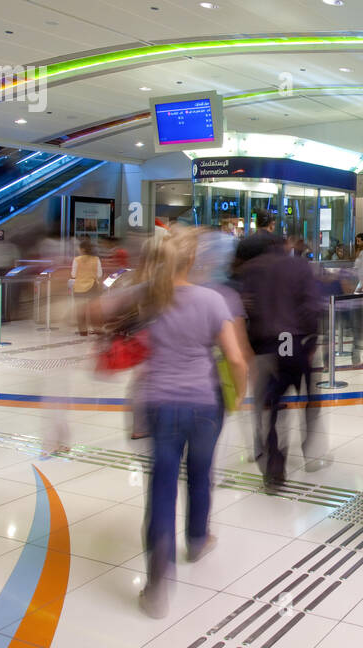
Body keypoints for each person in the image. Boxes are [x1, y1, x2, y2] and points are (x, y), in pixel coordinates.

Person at [92, 227, 249, 618]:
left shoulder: (147, 296)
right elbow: (237, 359)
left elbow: (96, 310)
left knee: (161, 488)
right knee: (200, 474)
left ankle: (158, 579)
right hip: (203, 404)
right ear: (193, 260)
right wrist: (241, 395)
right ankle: (197, 539)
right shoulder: (211, 300)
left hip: (159, 404)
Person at [237, 227, 328, 483]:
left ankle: (275, 465)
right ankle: (310, 450)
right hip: (296, 344)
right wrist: (310, 343)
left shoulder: (250, 271)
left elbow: (247, 309)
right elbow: (312, 306)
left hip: (266, 348)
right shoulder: (298, 267)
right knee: (309, 399)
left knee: (271, 408)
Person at [71, 239, 102, 336]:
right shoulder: (96, 259)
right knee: (94, 310)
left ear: (82, 249)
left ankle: (83, 332)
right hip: (93, 287)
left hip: (79, 288)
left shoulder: (76, 260)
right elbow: (99, 274)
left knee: (80, 310)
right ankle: (97, 330)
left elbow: (73, 275)